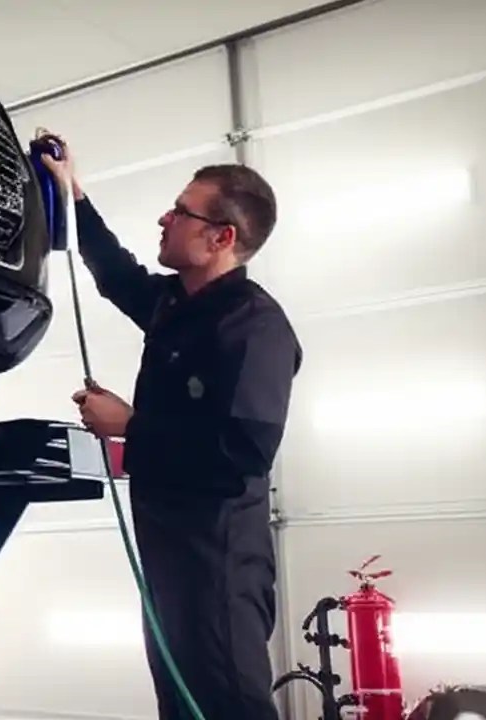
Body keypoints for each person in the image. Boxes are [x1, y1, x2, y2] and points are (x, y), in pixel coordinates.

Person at [38, 129, 302, 719]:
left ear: (221, 237)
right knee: (183, 710)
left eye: (182, 212)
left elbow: (241, 455)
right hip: (171, 559)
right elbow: (116, 273)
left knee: (227, 706)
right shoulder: (176, 305)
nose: (165, 217)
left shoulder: (254, 328)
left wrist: (131, 425)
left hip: (218, 566)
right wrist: (72, 195)